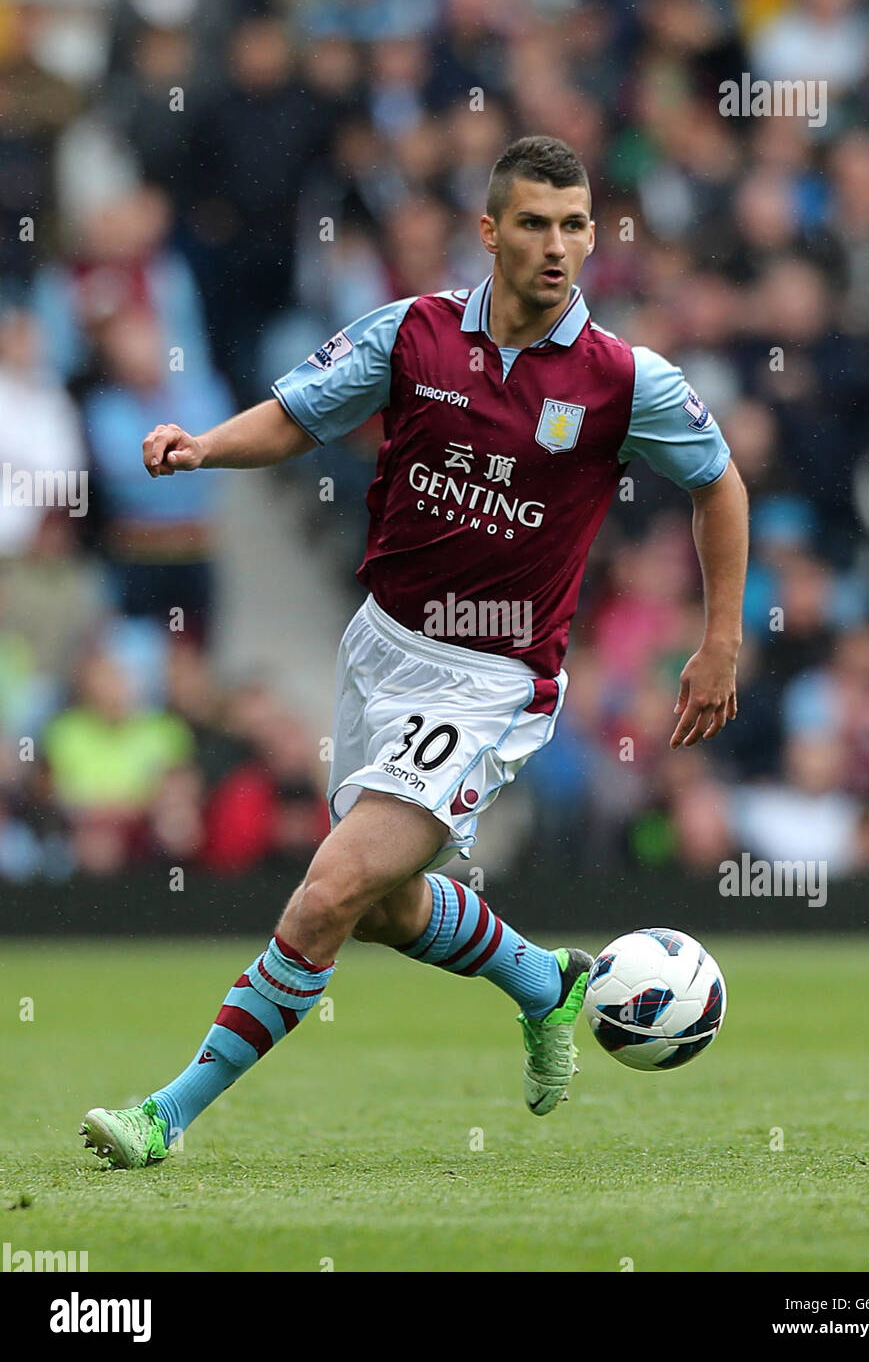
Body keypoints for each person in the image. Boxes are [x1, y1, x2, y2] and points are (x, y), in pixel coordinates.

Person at [80, 137, 748, 1169]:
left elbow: (720, 482)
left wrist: (719, 639)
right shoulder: (414, 334)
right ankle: (541, 980)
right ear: (490, 231)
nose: (558, 246)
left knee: (328, 890)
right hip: (378, 648)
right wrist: (206, 445)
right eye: (534, 223)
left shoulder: (623, 380)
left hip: (491, 680)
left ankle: (166, 1114)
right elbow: (301, 416)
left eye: (576, 225)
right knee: (387, 906)